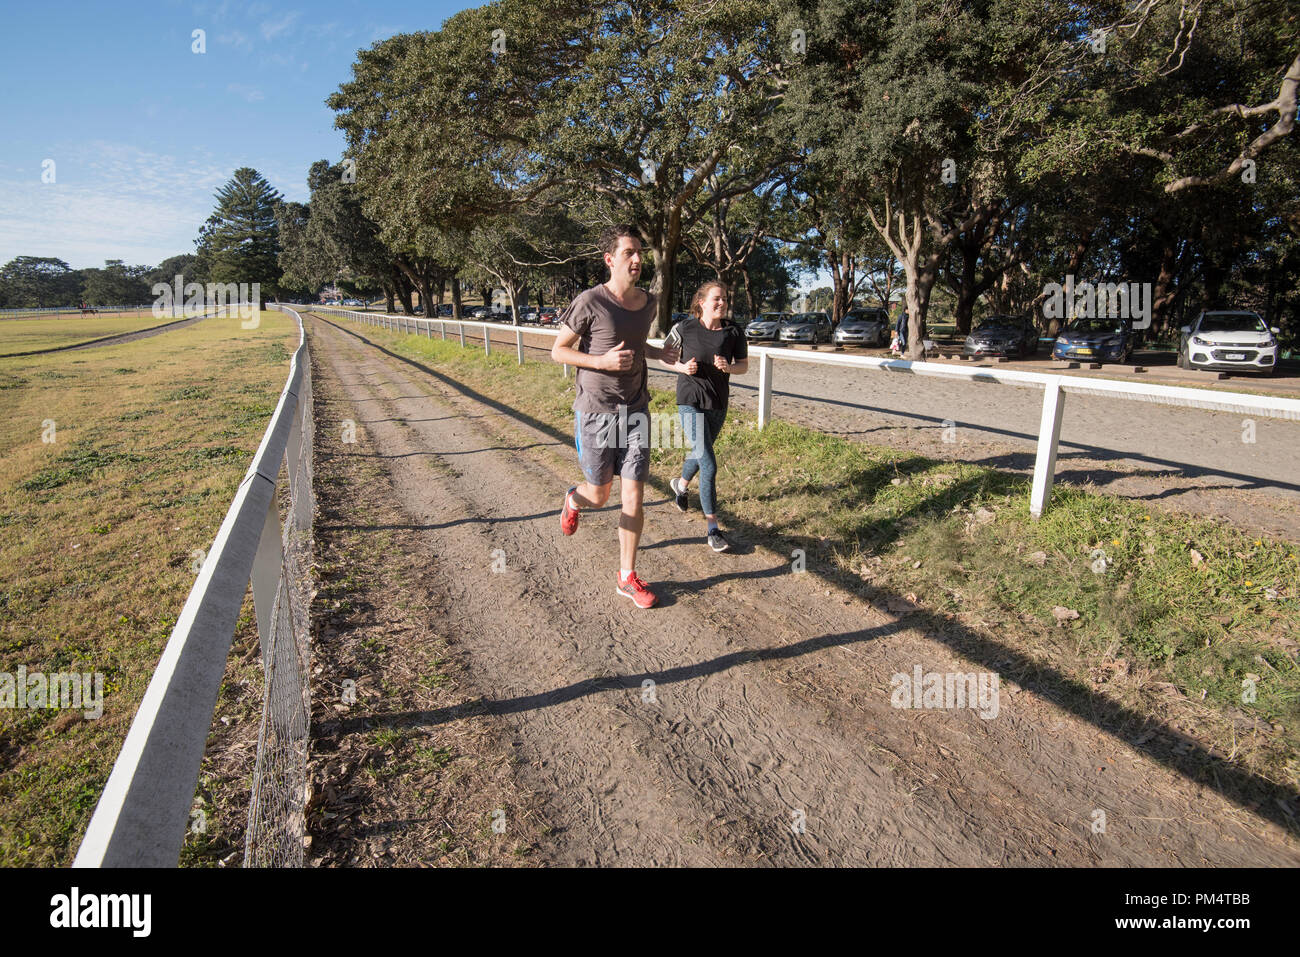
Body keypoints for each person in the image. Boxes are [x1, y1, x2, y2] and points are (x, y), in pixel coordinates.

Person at [550, 224, 676, 609]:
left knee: (634, 492)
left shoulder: (649, 303)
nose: (637, 259)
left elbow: (639, 345)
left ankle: (627, 576)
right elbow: (558, 351)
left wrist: (660, 355)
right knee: (600, 495)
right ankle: (575, 499)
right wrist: (601, 361)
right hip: (596, 413)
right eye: (629, 253)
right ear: (610, 260)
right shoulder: (590, 301)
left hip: (636, 408)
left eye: (640, 252)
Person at [662, 281, 748, 552]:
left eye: (724, 299)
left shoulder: (734, 331)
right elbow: (664, 356)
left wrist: (729, 368)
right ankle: (713, 529)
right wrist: (681, 367)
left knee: (701, 453)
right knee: (709, 463)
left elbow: (744, 366)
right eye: (716, 299)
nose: (722, 303)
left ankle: (681, 484)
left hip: (717, 403)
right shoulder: (685, 328)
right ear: (701, 302)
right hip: (689, 400)